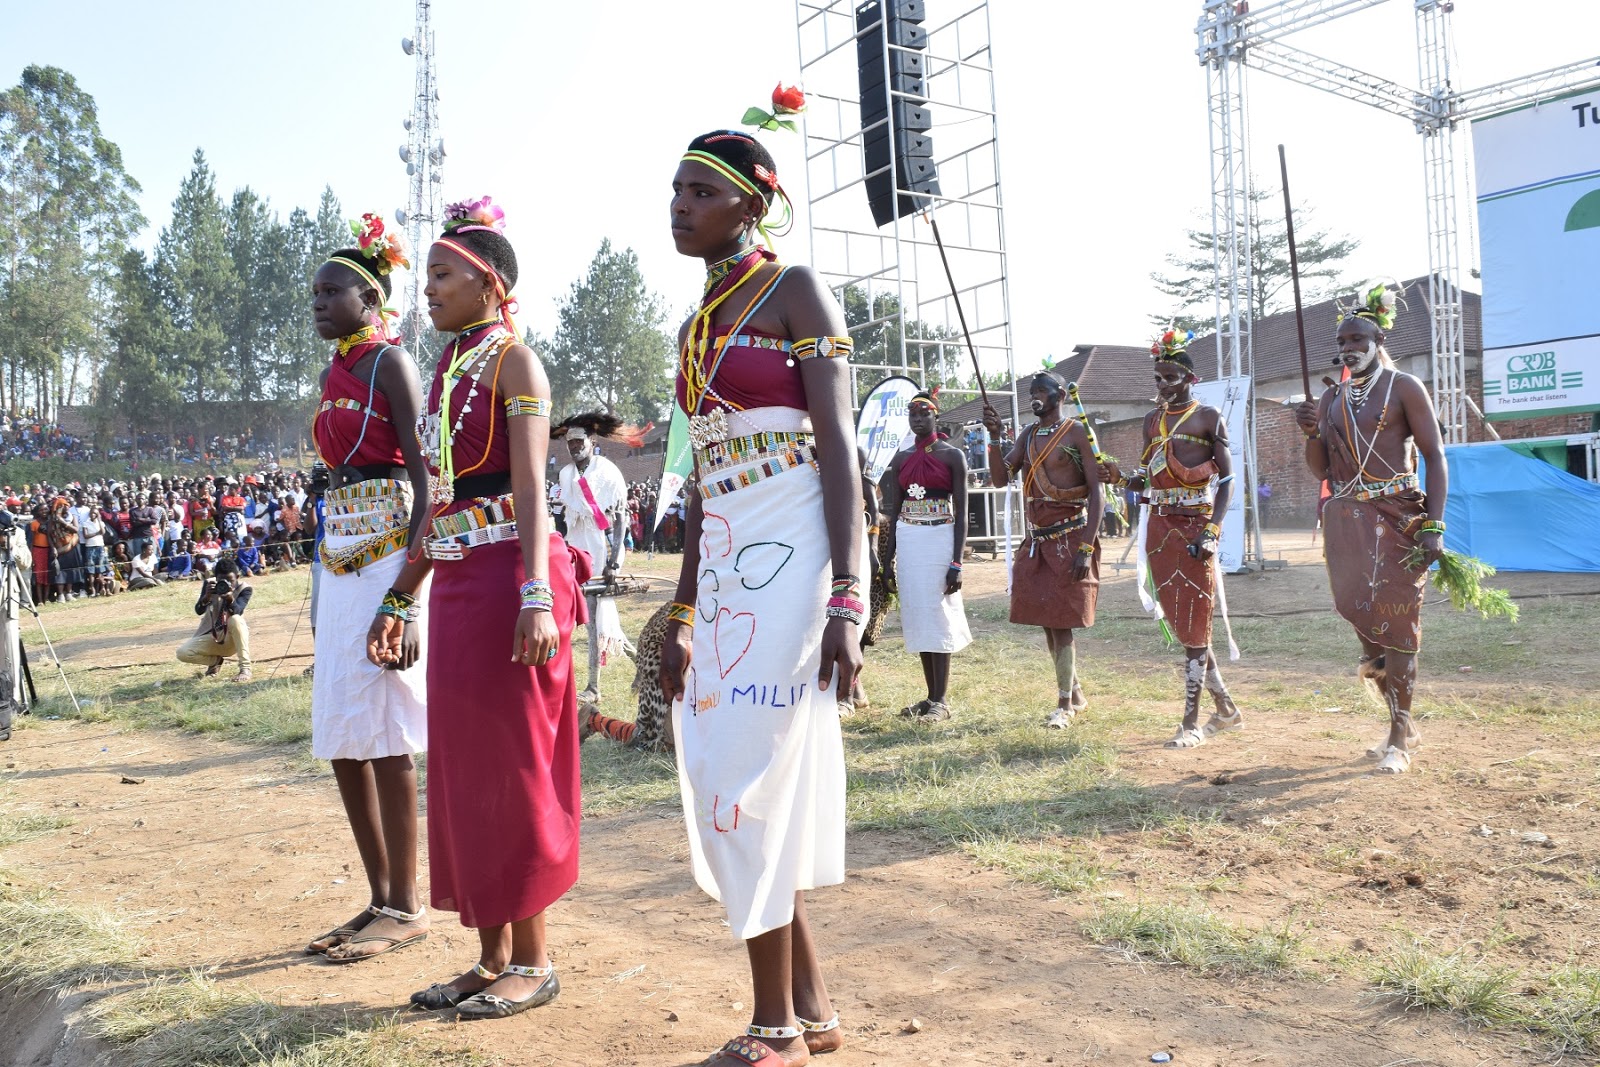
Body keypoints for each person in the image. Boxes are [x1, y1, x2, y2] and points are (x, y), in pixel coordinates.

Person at [659, 113, 860, 1066]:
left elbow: (842, 455)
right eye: (676, 191)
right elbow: (703, 476)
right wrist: (685, 605)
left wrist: (850, 598)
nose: (681, 207)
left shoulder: (797, 292)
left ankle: (772, 1023)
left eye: (702, 191)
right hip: (728, 565)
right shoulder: (696, 327)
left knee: (748, 779)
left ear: (754, 201)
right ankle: (810, 1008)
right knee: (724, 776)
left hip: (795, 562)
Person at [370, 195, 583, 1019]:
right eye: (426, 274)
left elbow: (530, 490)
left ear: (491, 283)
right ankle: (491, 955)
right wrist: (402, 591)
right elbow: (443, 506)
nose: (427, 288)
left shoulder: (514, 364)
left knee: (515, 763)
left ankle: (535, 956)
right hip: (460, 584)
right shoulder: (450, 371)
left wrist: (536, 595)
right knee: (462, 774)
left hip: (512, 583)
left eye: (443, 274)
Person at [299, 215, 436, 964]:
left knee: (385, 729)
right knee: (344, 727)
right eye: (314, 293)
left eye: (332, 291)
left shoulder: (392, 364)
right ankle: (380, 895)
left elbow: (426, 480)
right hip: (339, 551)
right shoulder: (335, 371)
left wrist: (407, 594)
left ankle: (409, 903)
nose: (319, 302)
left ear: (370, 295)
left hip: (386, 555)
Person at [1294, 281, 1446, 774]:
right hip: (1347, 523)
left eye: (1358, 340)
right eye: (1341, 342)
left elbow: (1434, 456)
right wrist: (1311, 429)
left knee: (1398, 625)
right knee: (1365, 627)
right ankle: (1402, 723)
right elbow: (1321, 470)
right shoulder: (1333, 396)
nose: (1348, 348)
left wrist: (1434, 525)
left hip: (1399, 518)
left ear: (1378, 342)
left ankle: (1398, 739)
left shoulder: (1404, 387)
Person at [1125, 329, 1242, 749]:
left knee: (1196, 621)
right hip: (1160, 529)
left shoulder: (1209, 417)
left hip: (1197, 527)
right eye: (1157, 378)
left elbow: (1226, 482)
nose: (1161, 385)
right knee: (1184, 624)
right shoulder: (1151, 421)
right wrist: (1119, 476)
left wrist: (1212, 530)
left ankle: (1190, 722)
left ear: (1189, 378)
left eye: (1169, 377)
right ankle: (1226, 709)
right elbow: (1143, 476)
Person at [982, 372, 1103, 727]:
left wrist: (1086, 547)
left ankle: (1065, 705)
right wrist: (993, 437)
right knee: (1048, 623)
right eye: (1031, 392)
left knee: (1061, 622)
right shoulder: (1029, 434)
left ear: (1059, 395)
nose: (1034, 398)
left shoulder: (1078, 433)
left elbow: (1098, 493)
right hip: (1037, 539)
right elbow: (1001, 478)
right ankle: (1075, 693)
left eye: (1041, 392)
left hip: (1070, 538)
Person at [878, 390, 971, 722]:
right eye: (912, 414)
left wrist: (956, 563)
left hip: (939, 538)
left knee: (937, 614)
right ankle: (930, 696)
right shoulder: (901, 459)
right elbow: (895, 507)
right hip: (909, 539)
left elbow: (961, 513)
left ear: (935, 416)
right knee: (919, 615)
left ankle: (942, 700)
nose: (918, 419)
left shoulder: (952, 457)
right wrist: (887, 560)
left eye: (923, 413)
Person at [553, 413, 631, 704]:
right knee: (585, 614)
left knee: (595, 617)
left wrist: (613, 561)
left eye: (579, 442)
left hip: (602, 547)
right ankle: (631, 665)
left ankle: (593, 687)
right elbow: (564, 517)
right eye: (570, 443)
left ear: (591, 441)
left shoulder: (607, 471)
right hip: (576, 546)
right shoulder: (564, 475)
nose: (574, 448)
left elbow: (620, 517)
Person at [176, 556, 252, 681]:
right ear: (216, 578)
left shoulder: (245, 588)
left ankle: (245, 668)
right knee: (182, 653)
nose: (226, 584)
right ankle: (215, 661)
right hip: (213, 636)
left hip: (232, 639)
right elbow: (198, 610)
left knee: (236, 619)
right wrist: (206, 597)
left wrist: (230, 599)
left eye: (230, 580)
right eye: (222, 581)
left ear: (237, 577)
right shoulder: (209, 584)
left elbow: (238, 610)